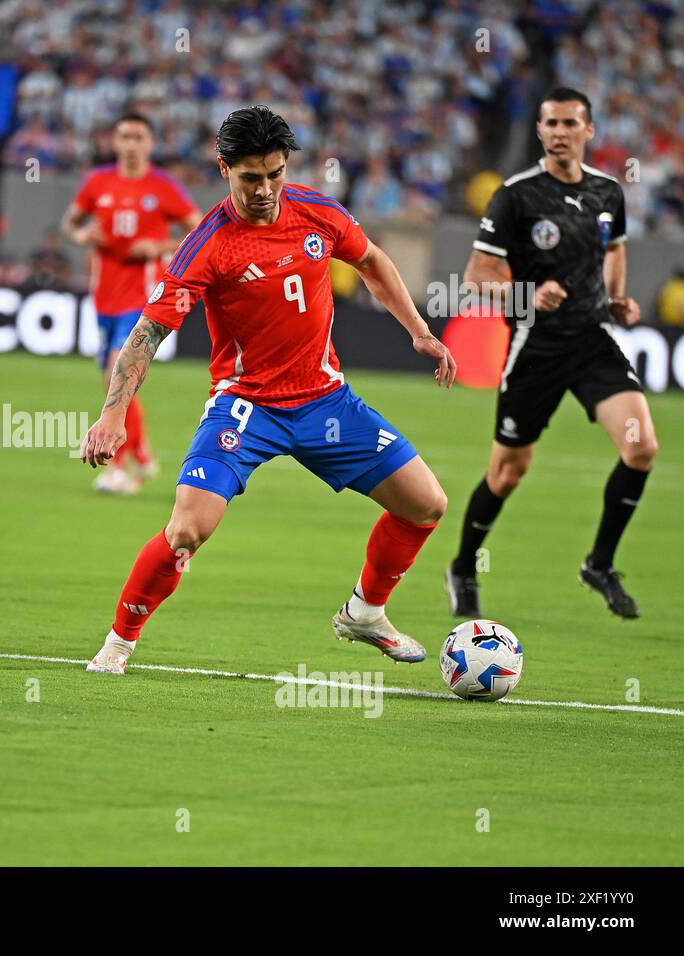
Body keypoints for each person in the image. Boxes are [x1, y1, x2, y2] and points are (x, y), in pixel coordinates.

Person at [78, 105, 456, 674]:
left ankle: (365, 612)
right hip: (245, 409)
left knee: (426, 504)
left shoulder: (318, 214)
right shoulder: (209, 245)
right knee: (186, 529)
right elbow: (146, 335)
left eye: (275, 174)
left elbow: (373, 261)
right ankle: (118, 643)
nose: (265, 189)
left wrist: (420, 332)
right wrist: (113, 416)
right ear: (224, 167)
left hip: (326, 401)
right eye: (250, 178)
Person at [445, 88, 656, 620]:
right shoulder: (517, 196)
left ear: (589, 131)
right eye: (551, 123)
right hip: (534, 344)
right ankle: (464, 567)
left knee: (641, 447)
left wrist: (616, 300)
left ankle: (600, 564)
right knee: (508, 472)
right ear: (540, 131)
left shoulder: (609, 192)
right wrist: (527, 296)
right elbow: (475, 280)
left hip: (590, 340)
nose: (560, 132)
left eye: (570, 123)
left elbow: (614, 248)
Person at [62, 113, 203, 495]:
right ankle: (143, 456)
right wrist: (80, 234)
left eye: (138, 137)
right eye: (124, 136)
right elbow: (70, 223)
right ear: (115, 141)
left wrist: (161, 246)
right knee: (113, 380)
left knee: (116, 374)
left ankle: (118, 466)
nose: (130, 143)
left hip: (143, 300)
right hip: (103, 296)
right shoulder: (98, 182)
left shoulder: (163, 187)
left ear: (150, 144)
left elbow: (201, 228)